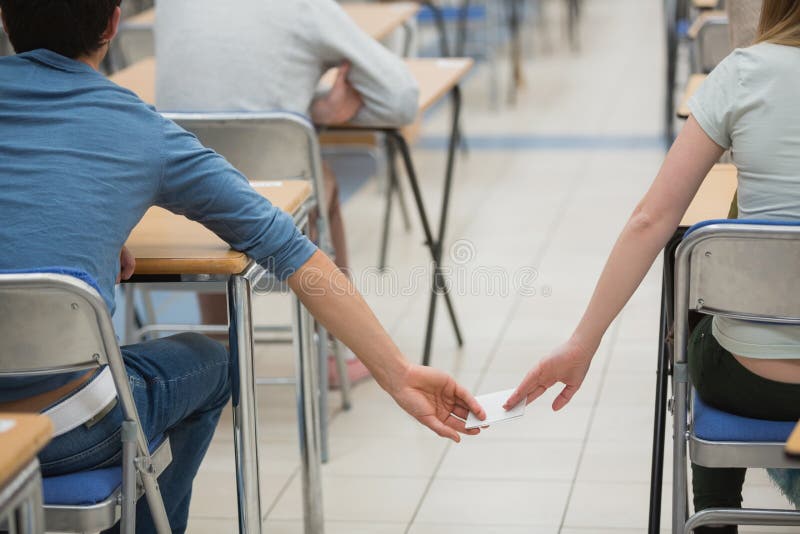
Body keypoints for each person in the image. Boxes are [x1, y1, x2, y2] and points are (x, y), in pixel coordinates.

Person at [0, 2, 484, 533]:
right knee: (208, 362)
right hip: (68, 425)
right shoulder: (141, 132)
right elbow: (293, 250)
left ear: (4, 18)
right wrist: (398, 372)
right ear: (114, 23)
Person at [505, 1, 800, 532]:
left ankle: (715, 519)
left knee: (696, 305)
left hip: (752, 379)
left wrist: (582, 343)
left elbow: (651, 220)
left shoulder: (743, 73)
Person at [154, 0, 420, 385]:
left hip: (171, 203)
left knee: (204, 172)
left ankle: (217, 349)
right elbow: (401, 99)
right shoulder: (305, 7)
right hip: (269, 192)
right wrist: (319, 112)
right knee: (317, 178)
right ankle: (332, 354)